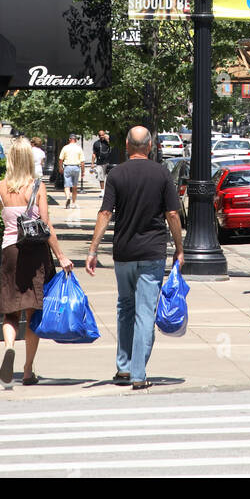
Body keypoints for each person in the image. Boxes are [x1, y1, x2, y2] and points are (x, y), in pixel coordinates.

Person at [85, 125, 184, 390]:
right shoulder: (162, 174)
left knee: (125, 308)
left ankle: (124, 368)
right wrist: (179, 249)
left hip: (124, 254)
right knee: (144, 313)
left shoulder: (117, 174)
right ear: (150, 146)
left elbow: (104, 214)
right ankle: (138, 373)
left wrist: (93, 250)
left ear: (127, 146)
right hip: (152, 253)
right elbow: (173, 215)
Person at [0, 137, 73, 388]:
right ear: (30, 160)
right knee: (33, 312)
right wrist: (61, 255)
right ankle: (28, 370)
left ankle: (10, 347)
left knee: (11, 310)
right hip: (36, 253)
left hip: (11, 251)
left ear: (10, 160)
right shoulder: (37, 187)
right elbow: (46, 225)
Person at [58, 133, 85, 208]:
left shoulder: (65, 148)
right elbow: (82, 162)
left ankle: (67, 198)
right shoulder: (79, 148)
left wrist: (60, 167)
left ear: (69, 139)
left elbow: (60, 159)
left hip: (67, 167)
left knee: (67, 185)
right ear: (75, 140)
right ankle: (73, 202)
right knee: (75, 186)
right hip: (76, 167)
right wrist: (83, 171)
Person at [92, 130, 113, 194]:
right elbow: (94, 154)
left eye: (103, 135)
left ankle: (109, 190)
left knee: (109, 177)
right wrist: (92, 163)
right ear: (98, 136)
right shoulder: (96, 143)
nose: (101, 136)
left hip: (108, 162)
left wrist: (107, 140)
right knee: (101, 177)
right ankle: (102, 191)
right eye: (100, 135)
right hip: (99, 162)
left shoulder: (108, 142)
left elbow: (112, 146)